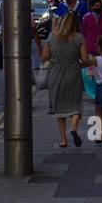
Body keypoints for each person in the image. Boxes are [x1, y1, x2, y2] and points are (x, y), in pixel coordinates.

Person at [42, 8, 88, 148]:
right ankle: (73, 127)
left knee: (59, 108)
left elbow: (45, 57)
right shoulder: (79, 37)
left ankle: (63, 139)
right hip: (73, 73)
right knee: (75, 104)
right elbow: (85, 59)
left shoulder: (51, 37)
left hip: (55, 74)